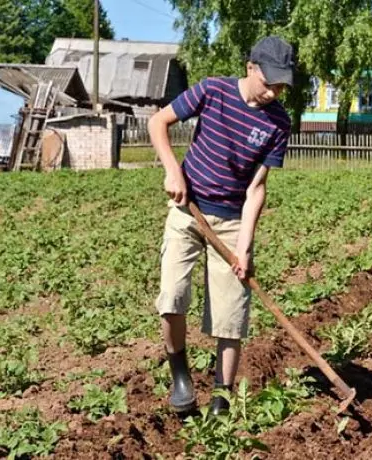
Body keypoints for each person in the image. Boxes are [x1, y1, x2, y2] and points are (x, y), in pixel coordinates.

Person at [147, 36, 294, 415]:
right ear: (251, 68)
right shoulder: (213, 90)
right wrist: (172, 171)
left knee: (231, 317)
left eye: (280, 86)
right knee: (172, 297)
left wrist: (244, 246)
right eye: (269, 83)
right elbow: (158, 122)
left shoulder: (279, 122)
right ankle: (180, 376)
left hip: (230, 223)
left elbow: (256, 187)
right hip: (187, 209)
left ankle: (221, 399)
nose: (273, 92)